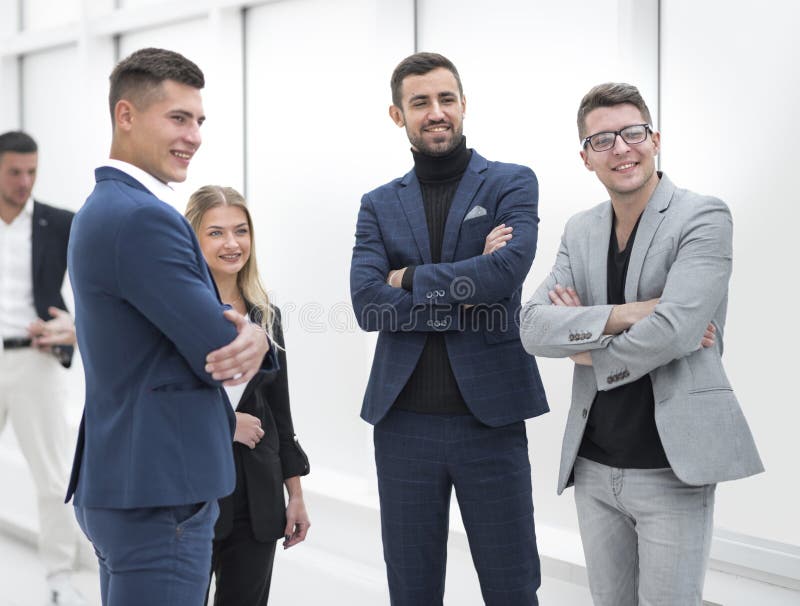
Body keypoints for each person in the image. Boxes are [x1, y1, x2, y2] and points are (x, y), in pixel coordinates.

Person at [519, 82, 763, 605]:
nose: (621, 148)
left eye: (632, 133)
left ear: (655, 139)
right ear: (585, 157)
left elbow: (677, 330)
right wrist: (636, 313)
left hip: (672, 467)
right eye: (602, 140)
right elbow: (533, 327)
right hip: (593, 465)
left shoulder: (702, 216)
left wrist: (585, 345)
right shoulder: (581, 230)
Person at [66, 48, 275, 606]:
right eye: (178, 118)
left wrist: (249, 336)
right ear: (126, 115)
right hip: (162, 491)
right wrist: (252, 337)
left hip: (128, 480)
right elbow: (218, 347)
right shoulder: (142, 218)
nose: (195, 135)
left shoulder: (104, 208)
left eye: (199, 121)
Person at [349, 52, 549, 605]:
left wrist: (407, 276)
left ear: (463, 105)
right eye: (420, 103)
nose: (435, 112)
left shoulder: (511, 182)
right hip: (403, 425)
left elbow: (508, 270)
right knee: (412, 591)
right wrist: (471, 286)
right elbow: (367, 304)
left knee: (512, 587)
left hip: (491, 420)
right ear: (398, 115)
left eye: (446, 99)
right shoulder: (379, 205)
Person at [184, 185, 310, 605]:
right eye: (216, 233)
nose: (232, 243)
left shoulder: (264, 312)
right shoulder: (179, 310)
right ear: (193, 238)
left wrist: (295, 495)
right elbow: (163, 399)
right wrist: (226, 424)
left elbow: (280, 413)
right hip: (192, 495)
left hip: (256, 498)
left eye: (241, 231)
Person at [0, 130, 88, 606]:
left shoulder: (61, 223)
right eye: (14, 171)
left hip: (38, 362)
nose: (24, 181)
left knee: (54, 479)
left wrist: (72, 325)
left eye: (31, 171)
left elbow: (95, 291)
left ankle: (58, 578)